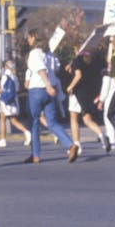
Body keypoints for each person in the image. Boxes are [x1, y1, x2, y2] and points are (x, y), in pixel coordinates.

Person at [23, 29, 75, 164]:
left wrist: (47, 85)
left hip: (38, 89)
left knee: (34, 122)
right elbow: (56, 68)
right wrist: (51, 86)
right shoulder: (50, 54)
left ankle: (36, 155)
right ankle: (70, 144)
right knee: (52, 122)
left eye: (29, 37)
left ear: (34, 38)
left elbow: (41, 70)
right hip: (50, 92)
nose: (28, 40)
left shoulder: (34, 53)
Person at [66, 50, 109, 155]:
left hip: (77, 92)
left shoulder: (77, 60)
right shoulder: (92, 61)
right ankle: (101, 135)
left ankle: (77, 145)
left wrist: (70, 86)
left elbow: (78, 75)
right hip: (88, 93)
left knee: (74, 118)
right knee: (87, 119)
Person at [0, 60, 31, 148]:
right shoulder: (14, 77)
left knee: (6, 119)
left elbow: (2, 90)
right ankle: (25, 132)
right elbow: (17, 89)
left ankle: (4, 139)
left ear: (5, 67)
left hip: (5, 101)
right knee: (10, 119)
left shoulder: (5, 77)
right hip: (13, 100)